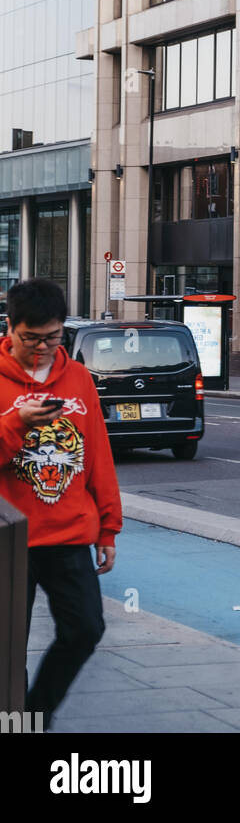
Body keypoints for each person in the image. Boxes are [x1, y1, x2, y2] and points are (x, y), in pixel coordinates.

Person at [0, 277, 122, 730]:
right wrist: (15, 423)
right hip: (9, 540)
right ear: (10, 327)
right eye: (32, 338)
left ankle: (35, 714)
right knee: (8, 650)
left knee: (86, 629)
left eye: (53, 337)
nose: (43, 348)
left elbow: (97, 457)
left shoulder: (78, 380)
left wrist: (108, 528)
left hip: (69, 534)